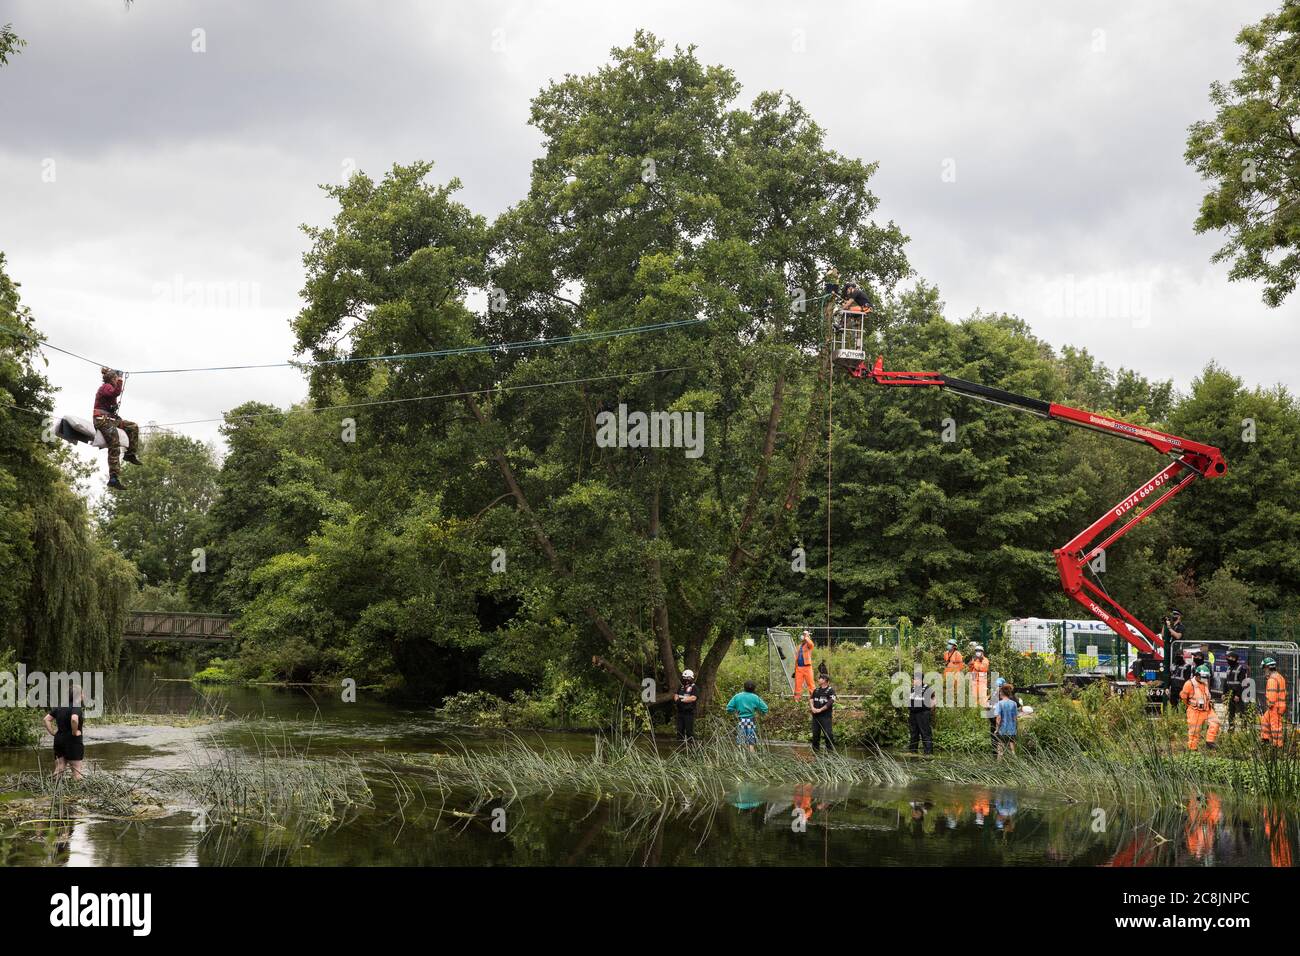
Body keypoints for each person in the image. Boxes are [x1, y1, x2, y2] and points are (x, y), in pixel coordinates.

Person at [93, 367, 140, 490]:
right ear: (112, 379)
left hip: (110, 419)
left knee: (133, 427)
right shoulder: (105, 387)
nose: (117, 382)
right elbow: (115, 392)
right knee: (114, 442)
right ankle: (113, 477)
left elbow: (114, 394)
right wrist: (120, 379)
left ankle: (130, 454)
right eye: (115, 379)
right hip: (101, 419)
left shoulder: (109, 388)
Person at [43, 685, 86, 781]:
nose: (84, 695)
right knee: (76, 772)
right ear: (78, 695)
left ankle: (53, 791)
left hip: (59, 740)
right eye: (82, 693)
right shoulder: (76, 707)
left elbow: (46, 719)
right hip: (73, 742)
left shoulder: (60, 707)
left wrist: (53, 733)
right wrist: (74, 732)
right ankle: (77, 795)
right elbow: (74, 719)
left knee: (59, 769)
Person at [1180, 664, 1219, 751]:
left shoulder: (1205, 683)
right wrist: (1190, 706)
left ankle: (1210, 742)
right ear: (1197, 675)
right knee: (1194, 731)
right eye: (1203, 677)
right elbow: (1183, 697)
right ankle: (1193, 749)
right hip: (1195, 711)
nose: (1205, 679)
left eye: (1206, 677)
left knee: (1215, 722)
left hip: (1207, 709)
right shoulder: (1189, 684)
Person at [726, 680, 769, 752]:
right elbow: (765, 708)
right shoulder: (755, 697)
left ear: (744, 687)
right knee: (751, 743)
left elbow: (729, 708)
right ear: (754, 688)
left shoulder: (737, 696)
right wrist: (759, 713)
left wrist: (735, 713)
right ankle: (753, 761)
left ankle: (740, 760)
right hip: (751, 721)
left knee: (740, 742)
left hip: (741, 721)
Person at [1259, 657, 1287, 748]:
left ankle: (1277, 746)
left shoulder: (1272, 679)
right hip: (1279, 705)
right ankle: (1265, 739)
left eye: (1264, 668)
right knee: (1265, 720)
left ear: (1267, 667)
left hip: (1275, 707)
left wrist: (1270, 703)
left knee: (1276, 727)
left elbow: (1272, 694)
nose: (1264, 671)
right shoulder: (1280, 677)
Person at [907, 672, 935, 755]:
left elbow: (933, 699)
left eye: (914, 679)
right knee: (913, 733)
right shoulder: (912, 689)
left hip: (923, 714)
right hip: (913, 714)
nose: (913, 680)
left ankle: (928, 753)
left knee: (925, 733)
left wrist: (930, 710)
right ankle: (912, 751)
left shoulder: (927, 688)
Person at [810, 672, 836, 752]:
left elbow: (830, 702)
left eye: (820, 678)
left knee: (828, 735)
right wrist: (812, 708)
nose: (818, 680)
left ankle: (831, 753)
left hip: (826, 717)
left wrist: (820, 710)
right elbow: (811, 699)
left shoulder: (831, 690)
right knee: (815, 736)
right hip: (815, 717)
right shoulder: (816, 690)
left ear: (824, 680)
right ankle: (815, 753)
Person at [1223, 651, 1250, 729]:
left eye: (1230, 657)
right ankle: (1231, 729)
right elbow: (1226, 682)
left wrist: (1237, 695)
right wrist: (1224, 693)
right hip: (1230, 694)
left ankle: (1244, 729)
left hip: (1238, 695)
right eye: (1228, 658)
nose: (1228, 659)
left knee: (1242, 712)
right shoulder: (1228, 668)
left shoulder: (1240, 668)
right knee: (1231, 713)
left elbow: (1242, 683)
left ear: (1234, 659)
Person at [993, 683, 1018, 758]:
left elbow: (998, 718)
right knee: (1012, 749)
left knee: (1000, 749)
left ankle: (998, 766)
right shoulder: (1014, 704)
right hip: (1011, 729)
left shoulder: (999, 704)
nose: (999, 694)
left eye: (1000, 692)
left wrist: (996, 729)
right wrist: (1015, 728)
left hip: (1002, 729)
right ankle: (1016, 763)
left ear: (1002, 693)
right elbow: (1015, 718)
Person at [673, 669, 698, 741]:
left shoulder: (694, 687)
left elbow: (693, 698)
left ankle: (690, 747)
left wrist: (682, 700)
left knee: (689, 731)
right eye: (684, 678)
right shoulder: (681, 687)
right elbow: (676, 695)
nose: (686, 680)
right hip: (680, 712)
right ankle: (679, 745)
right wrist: (677, 699)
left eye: (688, 678)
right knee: (679, 731)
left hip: (689, 713)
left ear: (691, 678)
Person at [793, 630, 816, 701]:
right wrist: (795, 669)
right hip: (799, 668)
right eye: (803, 635)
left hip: (807, 667)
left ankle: (814, 700)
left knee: (811, 684)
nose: (803, 636)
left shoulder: (809, 646)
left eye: (804, 635)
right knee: (798, 685)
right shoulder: (799, 646)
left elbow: (811, 644)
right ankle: (797, 700)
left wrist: (806, 636)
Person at [941, 639, 964, 705]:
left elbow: (961, 665)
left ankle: (954, 703)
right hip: (946, 673)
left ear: (954, 646)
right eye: (948, 643)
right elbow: (946, 662)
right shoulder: (945, 653)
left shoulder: (957, 654)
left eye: (950, 644)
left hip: (955, 675)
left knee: (954, 690)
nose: (949, 645)